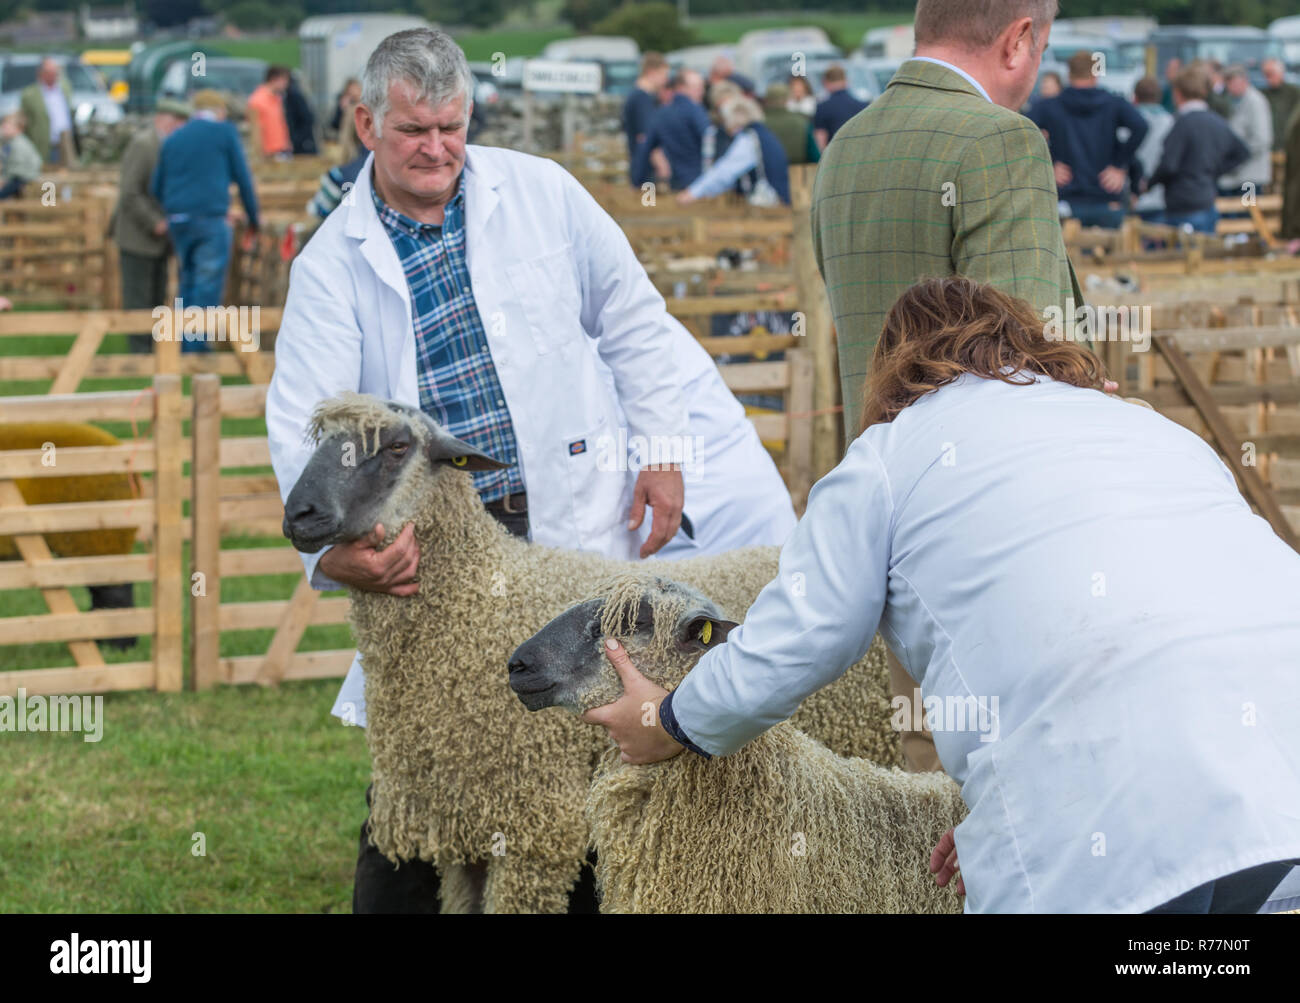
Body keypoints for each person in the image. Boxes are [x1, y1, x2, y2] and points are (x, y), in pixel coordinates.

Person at [264, 27, 796, 913]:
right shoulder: (330, 268)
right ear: (365, 123)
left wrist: (664, 451)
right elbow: (310, 428)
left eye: (452, 125)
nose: (437, 148)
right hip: (449, 551)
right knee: (433, 753)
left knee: (579, 733)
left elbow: (636, 319)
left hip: (571, 524)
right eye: (413, 132)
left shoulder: (542, 193)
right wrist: (330, 553)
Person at [584, 275, 1300, 915]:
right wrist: (1017, 801)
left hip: (1105, 795)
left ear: (896, 367)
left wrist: (670, 717)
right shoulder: (1151, 429)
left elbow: (798, 638)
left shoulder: (889, 458)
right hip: (1277, 765)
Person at [811, 0, 1083, 774]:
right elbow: (1033, 353)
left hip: (891, 522)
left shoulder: (846, 148)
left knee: (928, 770)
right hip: (1008, 531)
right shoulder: (1001, 141)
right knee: (1025, 782)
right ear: (1019, 38)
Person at [150, 90, 260, 349]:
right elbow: (243, 178)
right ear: (219, 112)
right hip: (210, 219)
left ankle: (184, 345)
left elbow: (156, 186)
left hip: (179, 220)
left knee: (187, 280)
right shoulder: (225, 133)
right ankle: (196, 351)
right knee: (207, 285)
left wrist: (174, 208)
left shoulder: (174, 138)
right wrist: (254, 217)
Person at [1027, 50, 1148, 229]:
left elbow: (1023, 130)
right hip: (1106, 196)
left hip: (1065, 199)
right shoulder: (1113, 103)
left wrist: (1047, 163)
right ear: (1095, 74)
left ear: (1069, 74)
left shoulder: (1051, 106)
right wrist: (1119, 165)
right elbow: (1140, 126)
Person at [111, 98, 190, 352]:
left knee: (157, 296)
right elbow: (130, 193)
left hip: (159, 238)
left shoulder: (167, 146)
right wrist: (155, 222)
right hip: (138, 236)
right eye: (179, 123)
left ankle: (153, 352)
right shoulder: (144, 145)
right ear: (166, 120)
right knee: (138, 298)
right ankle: (138, 353)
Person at [1150, 64, 1250, 234]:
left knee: (1180, 257)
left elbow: (1169, 165)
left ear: (1178, 93)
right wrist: (1214, 170)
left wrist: (1148, 184)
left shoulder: (1182, 123)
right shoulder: (1216, 121)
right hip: (1206, 198)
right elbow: (1242, 152)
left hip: (1182, 201)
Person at [677, 96, 790, 206]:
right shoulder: (763, 133)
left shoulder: (749, 138)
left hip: (770, 202)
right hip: (780, 198)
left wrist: (693, 192)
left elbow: (725, 171)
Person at [630, 69, 711, 192]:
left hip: (674, 183)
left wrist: (638, 180)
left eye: (702, 87)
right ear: (681, 88)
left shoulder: (661, 114)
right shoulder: (697, 111)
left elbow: (645, 148)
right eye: (696, 87)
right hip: (700, 184)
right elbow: (710, 142)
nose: (702, 92)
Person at [1218, 65, 1272, 196]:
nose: (1231, 88)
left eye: (1234, 83)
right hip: (1234, 176)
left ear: (1244, 81)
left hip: (1251, 176)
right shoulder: (1234, 101)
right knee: (1232, 213)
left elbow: (1262, 139)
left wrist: (1238, 156)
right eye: (1228, 84)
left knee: (1249, 213)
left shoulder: (1255, 102)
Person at [1128, 77, 1173, 221]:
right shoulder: (1170, 122)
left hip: (1132, 195)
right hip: (1160, 194)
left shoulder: (1128, 120)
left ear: (1135, 97)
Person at [623, 52, 669, 186]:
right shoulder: (642, 99)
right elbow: (645, 136)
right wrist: (661, 164)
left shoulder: (637, 96)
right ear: (651, 72)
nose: (665, 81)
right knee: (648, 204)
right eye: (663, 75)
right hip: (645, 171)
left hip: (640, 166)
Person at [19, 57, 75, 166]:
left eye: (55, 73)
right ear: (41, 74)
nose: (53, 76)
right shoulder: (29, 94)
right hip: (43, 143)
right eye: (49, 73)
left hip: (65, 142)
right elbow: (24, 120)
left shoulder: (64, 88)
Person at [812, 64, 867, 151]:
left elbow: (820, 141)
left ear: (825, 82)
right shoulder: (863, 106)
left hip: (834, 157)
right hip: (858, 155)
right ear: (846, 81)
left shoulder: (822, 107)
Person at [762, 83, 817, 166]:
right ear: (787, 99)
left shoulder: (759, 123)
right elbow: (814, 155)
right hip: (798, 173)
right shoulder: (801, 121)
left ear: (766, 100)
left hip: (768, 171)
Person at [246, 65, 292, 160]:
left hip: (281, 150)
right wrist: (259, 154)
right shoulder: (257, 101)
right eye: (285, 80)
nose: (286, 84)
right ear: (274, 79)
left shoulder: (276, 98)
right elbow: (255, 130)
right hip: (268, 154)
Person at [0, 111, 42, 199]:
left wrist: (4, 179)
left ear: (19, 129)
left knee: (3, 193)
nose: (3, 127)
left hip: (23, 177)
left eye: (7, 126)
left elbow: (15, 168)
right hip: (14, 175)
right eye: (3, 125)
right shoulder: (8, 141)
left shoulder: (19, 144)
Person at [1262, 58, 1300, 154]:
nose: (1268, 78)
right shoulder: (1262, 95)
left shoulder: (1294, 93)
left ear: (1281, 72)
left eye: (1271, 73)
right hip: (1269, 147)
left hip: (1289, 147)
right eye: (1266, 74)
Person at [284, 73, 318, 155]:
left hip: (302, 143)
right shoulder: (291, 95)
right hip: (301, 140)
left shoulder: (294, 96)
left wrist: (296, 140)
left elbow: (308, 119)